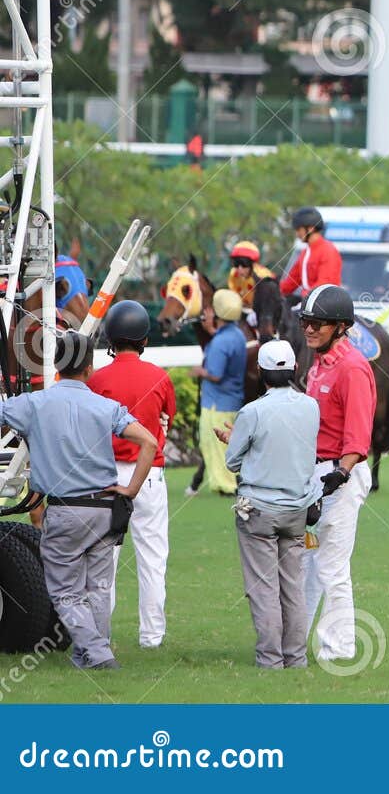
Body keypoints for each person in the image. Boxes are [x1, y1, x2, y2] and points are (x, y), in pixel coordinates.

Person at [0, 330, 158, 669]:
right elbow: (149, 442)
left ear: (56, 365)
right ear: (89, 368)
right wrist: (130, 489)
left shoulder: (33, 404)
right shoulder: (106, 406)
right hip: (105, 508)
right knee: (98, 589)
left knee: (64, 592)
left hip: (64, 510)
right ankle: (86, 657)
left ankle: (99, 655)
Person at [219, 339, 320, 668]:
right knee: (292, 587)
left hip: (259, 510)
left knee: (264, 589)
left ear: (259, 372)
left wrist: (233, 439)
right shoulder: (310, 406)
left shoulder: (252, 411)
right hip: (298, 509)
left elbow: (233, 462)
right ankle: (296, 658)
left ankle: (270, 659)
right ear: (295, 369)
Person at [86, 300, 176, 650]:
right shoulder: (161, 377)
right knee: (153, 559)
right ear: (144, 340)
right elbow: (167, 416)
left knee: (104, 561)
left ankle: (99, 635)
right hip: (148, 475)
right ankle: (151, 637)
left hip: (107, 477)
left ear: (110, 337)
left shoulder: (96, 379)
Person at [298, 284, 377, 663]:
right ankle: (295, 642)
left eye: (317, 323)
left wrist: (338, 475)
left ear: (340, 326)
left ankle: (340, 647)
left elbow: (358, 438)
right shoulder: (319, 364)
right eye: (305, 322)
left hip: (340, 476)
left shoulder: (353, 368)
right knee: (305, 563)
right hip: (316, 474)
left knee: (331, 567)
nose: (309, 329)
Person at [190, 289, 248, 496]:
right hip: (233, 400)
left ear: (217, 313)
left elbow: (215, 374)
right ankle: (229, 483)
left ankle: (226, 485)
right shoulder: (237, 335)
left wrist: (198, 371)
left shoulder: (221, 342)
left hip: (217, 403)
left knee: (213, 444)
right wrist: (212, 331)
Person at [280, 206, 343, 302]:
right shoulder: (305, 253)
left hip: (327, 305)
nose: (297, 234)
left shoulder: (328, 250)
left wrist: (304, 296)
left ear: (310, 229)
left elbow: (324, 285)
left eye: (298, 230)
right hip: (309, 302)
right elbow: (290, 282)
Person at [227, 240, 283, 339]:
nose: (239, 269)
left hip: (265, 314)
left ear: (252, 264)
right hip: (243, 310)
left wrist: (255, 311)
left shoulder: (263, 276)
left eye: (243, 264)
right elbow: (234, 295)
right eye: (236, 264)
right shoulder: (233, 274)